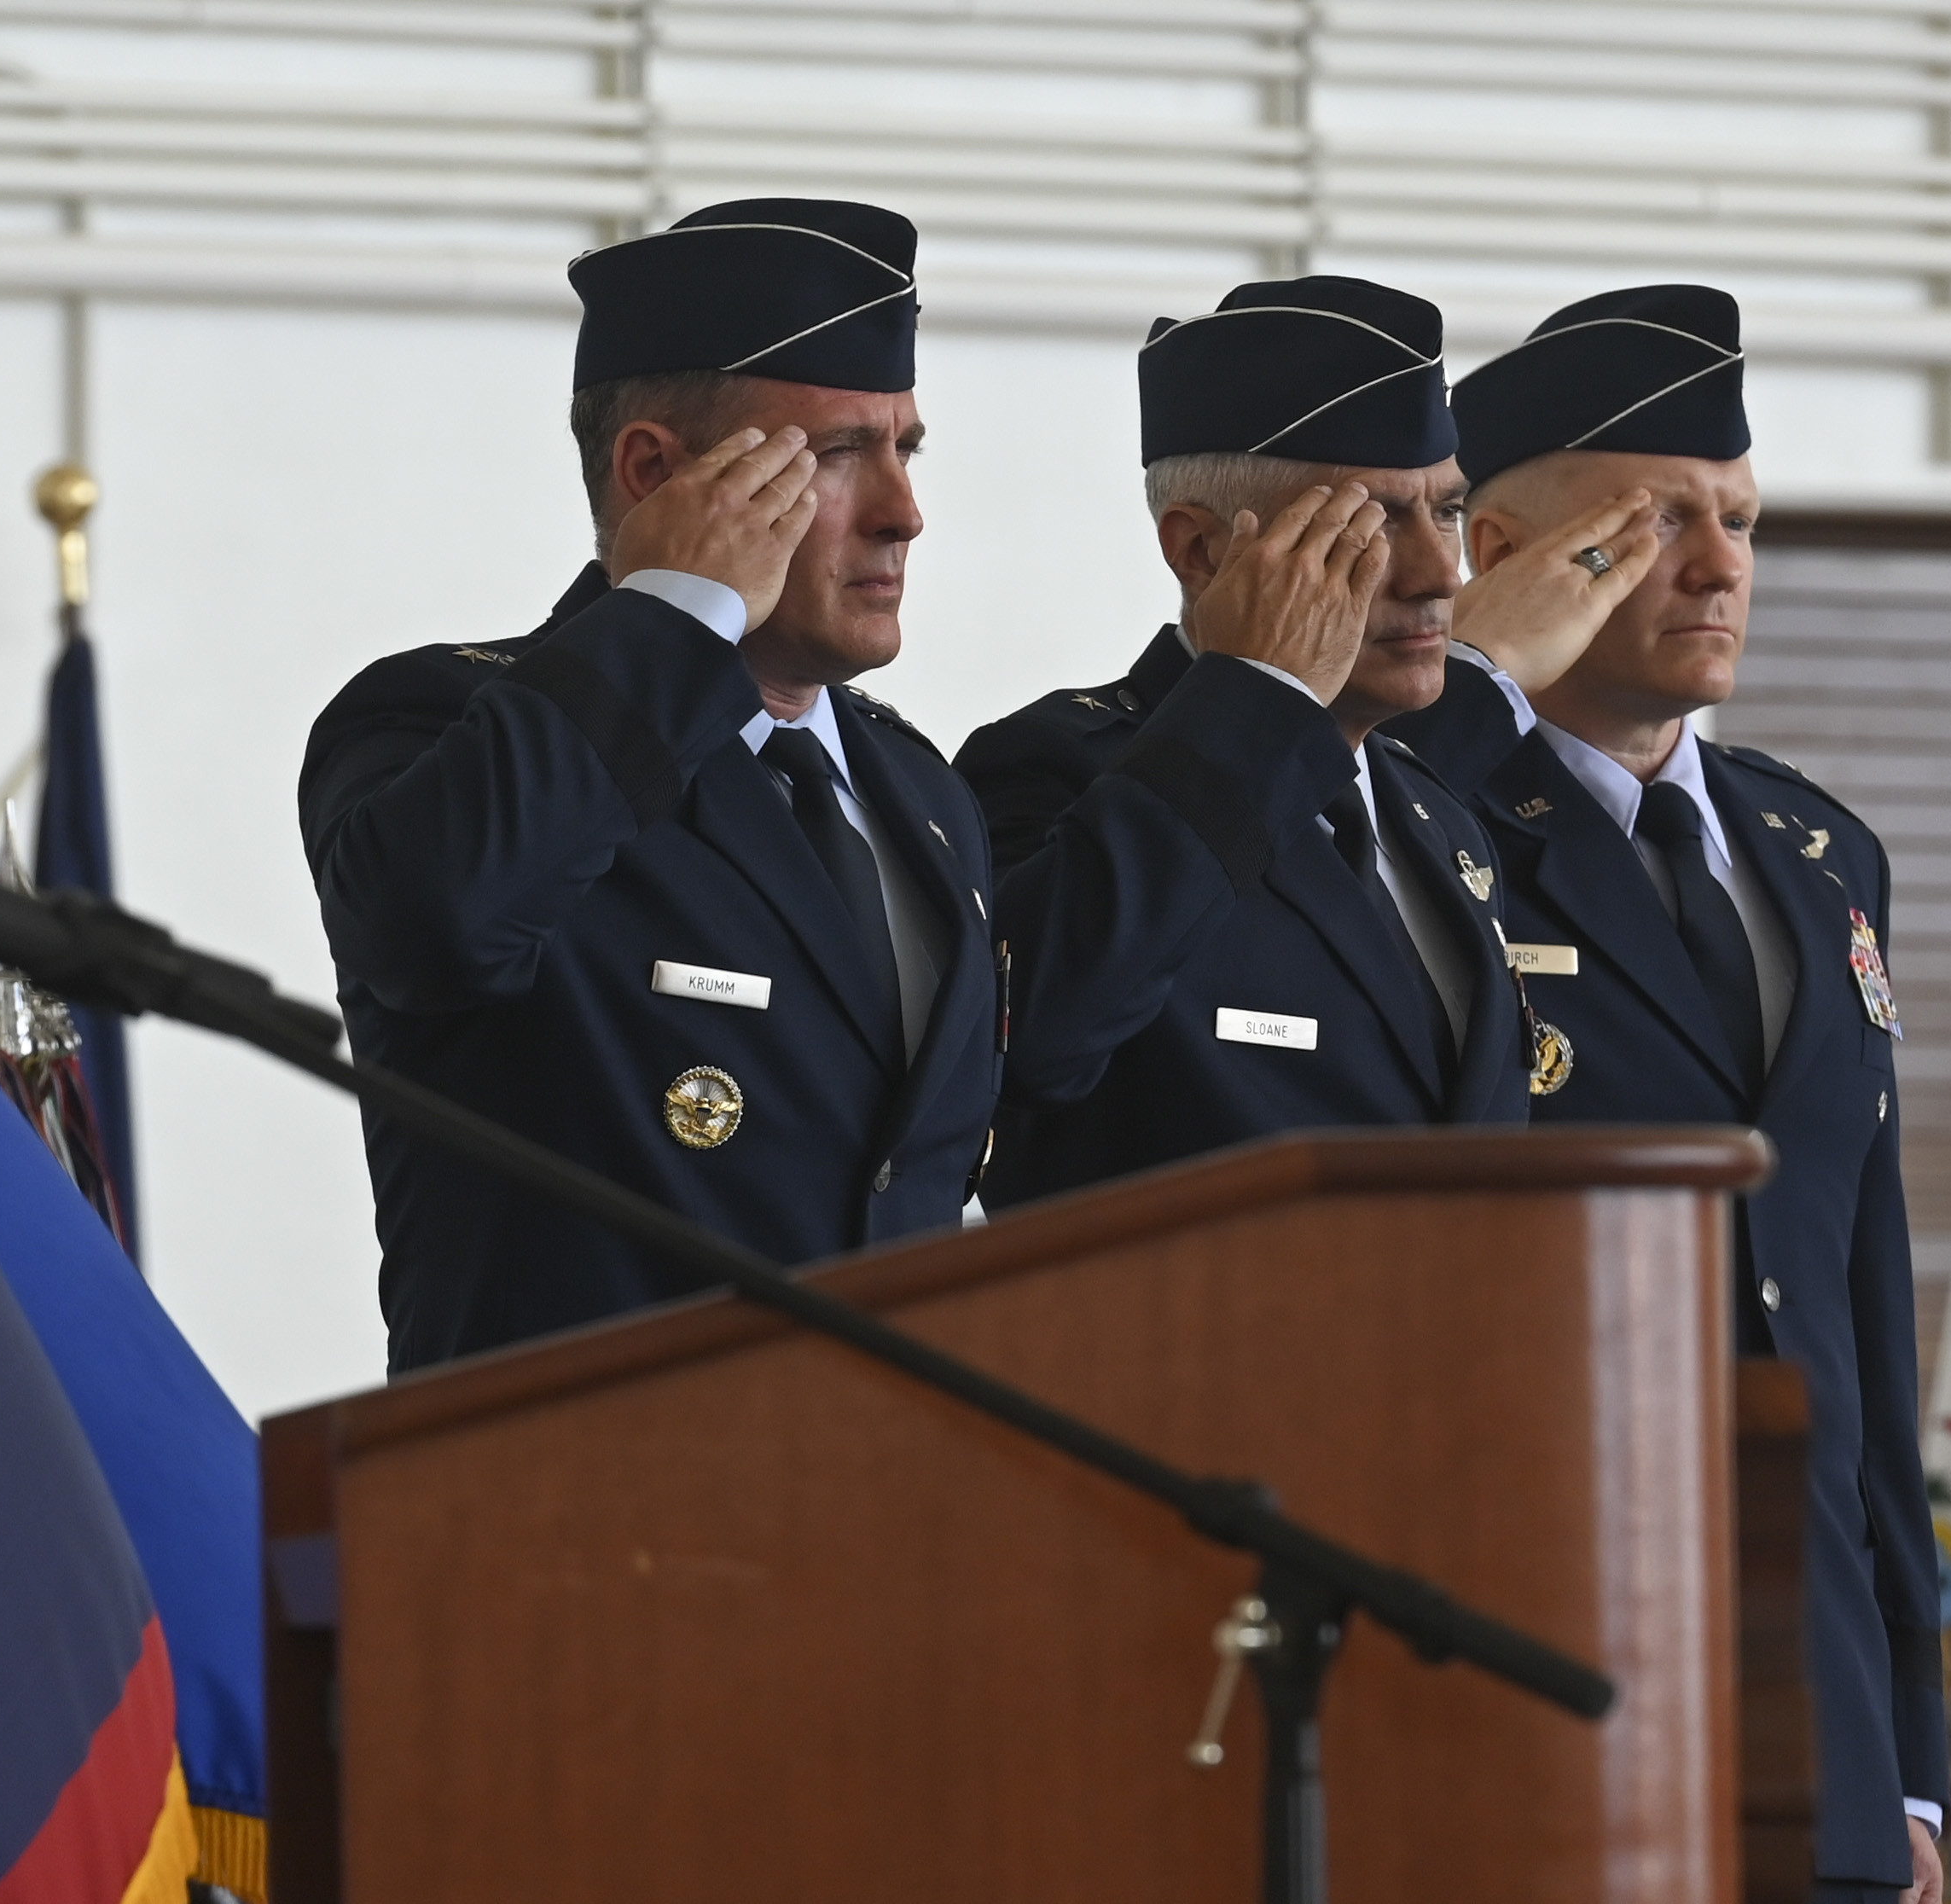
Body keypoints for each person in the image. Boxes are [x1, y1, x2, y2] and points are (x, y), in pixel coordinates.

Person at [303, 199, 1354, 1370]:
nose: (904, 512)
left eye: (904, 448)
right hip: (576, 1500)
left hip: (872, 1492)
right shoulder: (439, 724)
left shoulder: (914, 794)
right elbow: (438, 920)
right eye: (837, 454)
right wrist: (673, 612)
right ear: (654, 471)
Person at [1414, 283, 1951, 1904]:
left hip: (1807, 1732)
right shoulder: (1426, 823)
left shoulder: (1820, 857)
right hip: (1562, 1717)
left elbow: (1862, 1315)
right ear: (1508, 551)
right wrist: (1460, 703)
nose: (1719, 568)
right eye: (1652, 526)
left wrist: (1909, 1738)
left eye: (1738, 517)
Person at [957, 275, 1531, 1206]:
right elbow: (1033, 1046)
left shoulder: (1434, 819)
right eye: (1374, 521)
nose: (1438, 574)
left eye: (1448, 510)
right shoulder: (1058, 768)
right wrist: (1257, 695)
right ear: (1200, 551)